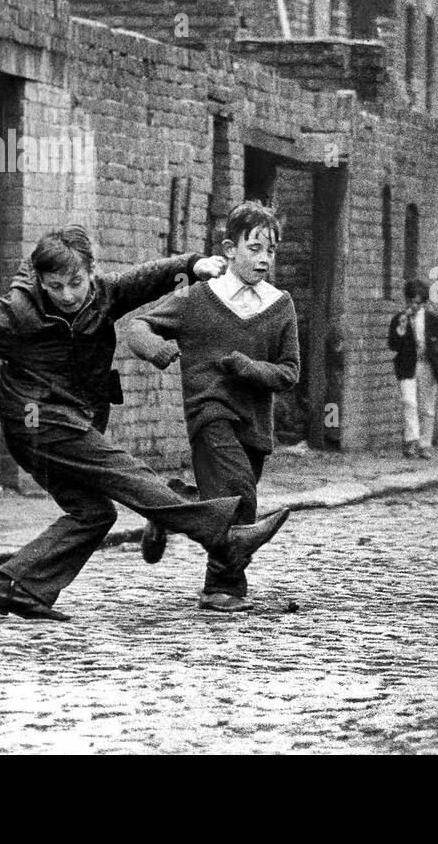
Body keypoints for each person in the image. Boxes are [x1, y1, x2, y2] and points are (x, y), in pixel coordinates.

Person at [0, 226, 290, 621]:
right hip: (35, 421)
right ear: (40, 280)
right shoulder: (16, 315)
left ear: (91, 272)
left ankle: (20, 586)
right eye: (57, 286)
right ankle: (222, 537)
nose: (69, 295)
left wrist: (194, 264)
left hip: (75, 418)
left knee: (94, 513)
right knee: (123, 471)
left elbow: (149, 276)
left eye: (76, 282)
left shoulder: (104, 296)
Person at [125, 202, 299, 613]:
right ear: (229, 248)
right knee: (239, 501)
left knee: (228, 498)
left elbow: (290, 373)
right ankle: (223, 587)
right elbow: (138, 325)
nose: (263, 258)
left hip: (255, 425)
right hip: (210, 412)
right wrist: (156, 349)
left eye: (270, 251)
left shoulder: (280, 305)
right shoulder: (198, 298)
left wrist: (248, 368)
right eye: (254, 247)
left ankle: (172, 506)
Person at [388, 278, 438, 459]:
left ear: (424, 303)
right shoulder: (399, 319)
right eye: (410, 302)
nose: (413, 306)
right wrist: (400, 327)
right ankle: (411, 441)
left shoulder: (433, 320)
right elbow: (392, 345)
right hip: (407, 365)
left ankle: (425, 444)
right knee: (409, 402)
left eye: (417, 302)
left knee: (427, 407)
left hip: (428, 365)